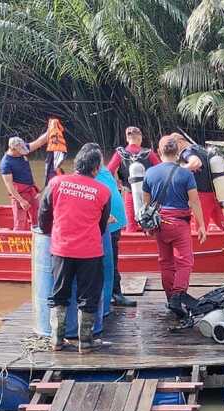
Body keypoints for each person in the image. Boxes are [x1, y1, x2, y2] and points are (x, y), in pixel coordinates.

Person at [37, 144, 111, 353]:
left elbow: (43, 213)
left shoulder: (56, 182)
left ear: (77, 163)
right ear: (96, 168)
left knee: (59, 294)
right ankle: (85, 343)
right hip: (90, 251)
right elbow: (102, 225)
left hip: (61, 249)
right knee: (88, 297)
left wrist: (48, 231)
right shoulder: (103, 191)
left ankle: (56, 341)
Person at [143, 135, 207, 317]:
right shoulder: (185, 174)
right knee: (185, 262)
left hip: (159, 223)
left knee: (166, 262)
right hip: (179, 223)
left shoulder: (150, 173)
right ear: (177, 152)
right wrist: (201, 225)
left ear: (158, 152)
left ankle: (170, 297)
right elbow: (194, 202)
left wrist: (147, 227)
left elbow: (146, 204)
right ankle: (177, 297)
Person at [91, 145, 135, 307]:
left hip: (115, 226)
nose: (102, 158)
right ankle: (108, 294)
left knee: (112, 261)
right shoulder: (91, 174)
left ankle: (115, 293)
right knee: (103, 262)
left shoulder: (104, 170)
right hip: (104, 226)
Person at [107, 126, 161, 232]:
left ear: (127, 139)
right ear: (140, 138)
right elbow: (160, 170)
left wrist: (117, 184)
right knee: (149, 220)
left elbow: (109, 171)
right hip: (148, 194)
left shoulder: (120, 154)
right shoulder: (149, 153)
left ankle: (131, 240)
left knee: (130, 224)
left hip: (129, 193)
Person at [174, 133, 224, 232]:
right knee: (222, 225)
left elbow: (196, 163)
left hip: (202, 196)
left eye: (174, 146)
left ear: (180, 142)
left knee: (200, 228)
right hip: (216, 193)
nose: (175, 151)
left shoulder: (186, 152)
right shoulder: (200, 148)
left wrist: (177, 169)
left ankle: (198, 247)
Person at [0, 129, 49, 230]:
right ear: (13, 149)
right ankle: (18, 243)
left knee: (38, 218)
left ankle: (36, 237)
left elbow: (39, 142)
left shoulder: (21, 148)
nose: (23, 152)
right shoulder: (6, 163)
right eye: (20, 151)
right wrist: (21, 201)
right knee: (20, 223)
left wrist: (51, 130)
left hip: (31, 191)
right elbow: (10, 186)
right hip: (19, 195)